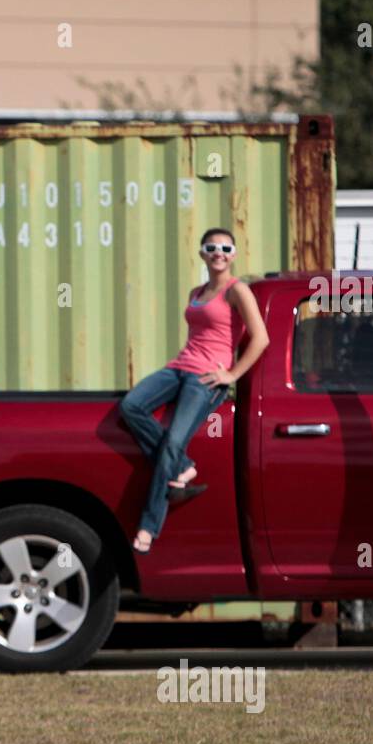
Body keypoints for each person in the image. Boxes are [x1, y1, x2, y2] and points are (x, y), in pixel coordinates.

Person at [119, 227, 268, 555]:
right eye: (211, 247)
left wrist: (231, 374)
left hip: (206, 379)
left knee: (173, 439)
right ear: (202, 253)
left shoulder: (237, 290)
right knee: (131, 406)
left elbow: (261, 338)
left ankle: (148, 524)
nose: (219, 252)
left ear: (233, 254)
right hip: (179, 366)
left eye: (225, 247)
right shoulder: (195, 292)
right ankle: (183, 466)